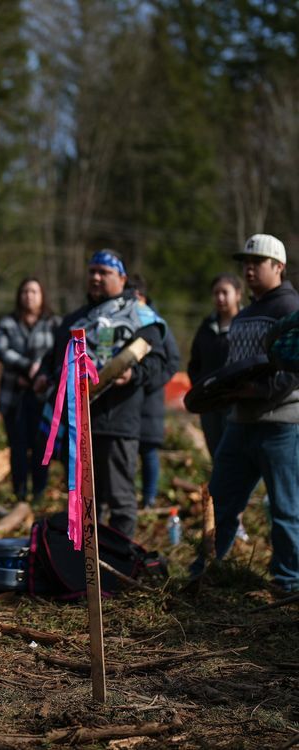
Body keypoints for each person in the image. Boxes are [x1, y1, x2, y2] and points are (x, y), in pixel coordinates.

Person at [190, 234, 299, 594]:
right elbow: (234, 367)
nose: (249, 268)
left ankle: (288, 582)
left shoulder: (291, 309)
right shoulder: (244, 315)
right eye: (245, 263)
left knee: (286, 509)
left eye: (257, 262)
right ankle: (204, 571)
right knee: (220, 502)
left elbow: (293, 369)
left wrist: (260, 390)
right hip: (240, 423)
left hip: (281, 423)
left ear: (278, 267)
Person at [35, 250, 167, 541]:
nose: (95, 277)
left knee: (119, 498)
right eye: (92, 271)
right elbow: (54, 356)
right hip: (78, 422)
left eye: (103, 272)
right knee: (83, 500)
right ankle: (85, 566)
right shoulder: (76, 319)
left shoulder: (141, 317)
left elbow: (160, 363)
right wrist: (44, 375)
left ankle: (120, 564)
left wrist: (133, 375)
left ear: (121, 278)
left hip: (117, 421)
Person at [0, 278, 58, 504]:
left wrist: (41, 372)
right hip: (15, 396)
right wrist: (24, 366)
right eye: (25, 291)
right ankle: (19, 494)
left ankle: (39, 494)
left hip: (43, 396)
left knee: (41, 447)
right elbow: (2, 350)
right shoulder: (8, 323)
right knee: (18, 447)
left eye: (34, 291)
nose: (29, 296)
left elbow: (58, 353)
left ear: (42, 296)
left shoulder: (53, 323)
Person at [126, 275, 181, 508]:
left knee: (148, 451)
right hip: (126, 399)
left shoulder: (157, 324)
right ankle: (126, 498)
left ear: (144, 297)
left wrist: (150, 381)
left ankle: (148, 498)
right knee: (125, 454)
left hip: (150, 400)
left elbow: (172, 361)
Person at [187, 274, 243, 457]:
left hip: (235, 403)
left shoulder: (245, 324)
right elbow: (195, 362)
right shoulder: (207, 326)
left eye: (225, 292)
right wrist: (200, 387)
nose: (220, 298)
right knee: (216, 455)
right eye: (216, 293)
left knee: (235, 456)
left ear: (238, 295)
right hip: (210, 404)